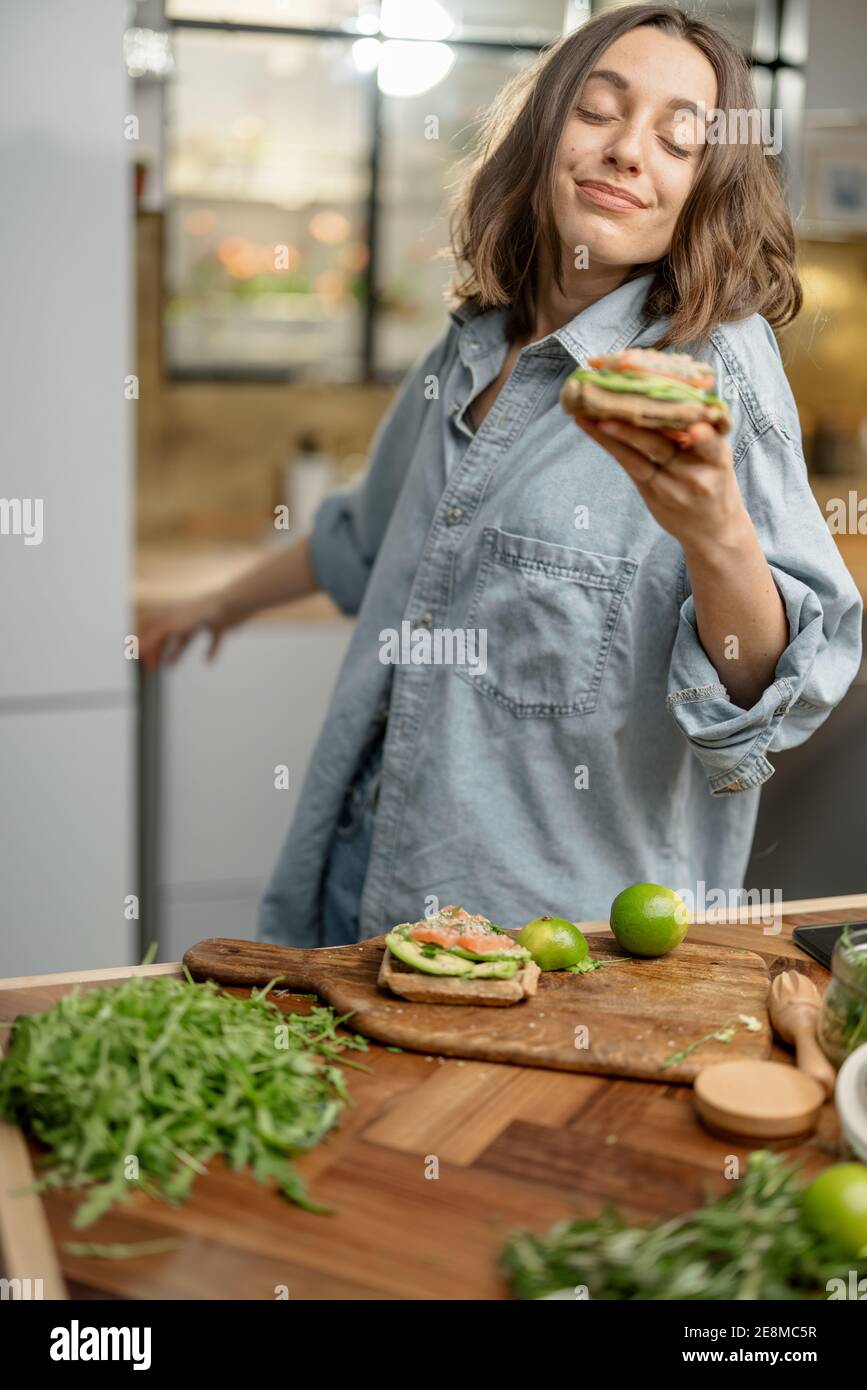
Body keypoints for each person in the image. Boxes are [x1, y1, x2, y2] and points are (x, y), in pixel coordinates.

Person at [141, 5, 862, 950]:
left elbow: (778, 692)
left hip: (557, 947)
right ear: (543, 131)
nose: (626, 152)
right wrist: (212, 609)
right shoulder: (476, 342)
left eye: (678, 139)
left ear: (707, 187)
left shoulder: (713, 364)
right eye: (598, 112)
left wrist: (715, 529)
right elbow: (364, 532)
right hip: (365, 886)